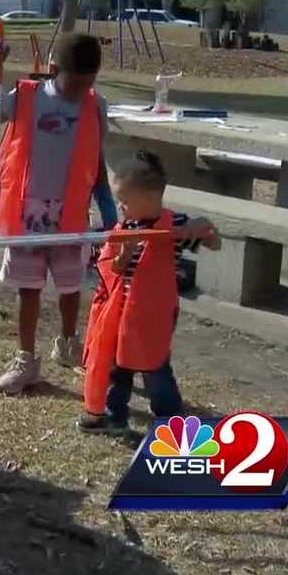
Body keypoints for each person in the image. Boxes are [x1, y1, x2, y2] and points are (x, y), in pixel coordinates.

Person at [0, 32, 113, 395]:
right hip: (28, 212)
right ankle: (26, 359)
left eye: (89, 83)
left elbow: (96, 154)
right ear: (54, 69)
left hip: (72, 212)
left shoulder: (95, 105)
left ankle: (67, 342)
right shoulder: (26, 96)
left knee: (71, 285)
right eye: (75, 83)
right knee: (28, 288)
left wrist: (105, 201)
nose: (81, 91)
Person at [78, 150, 220, 436]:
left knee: (155, 368)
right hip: (122, 312)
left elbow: (213, 243)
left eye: (125, 201)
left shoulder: (174, 224)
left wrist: (200, 228)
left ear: (150, 198)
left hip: (153, 315)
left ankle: (171, 421)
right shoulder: (126, 226)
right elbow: (115, 269)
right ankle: (114, 416)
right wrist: (125, 251)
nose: (121, 207)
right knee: (118, 367)